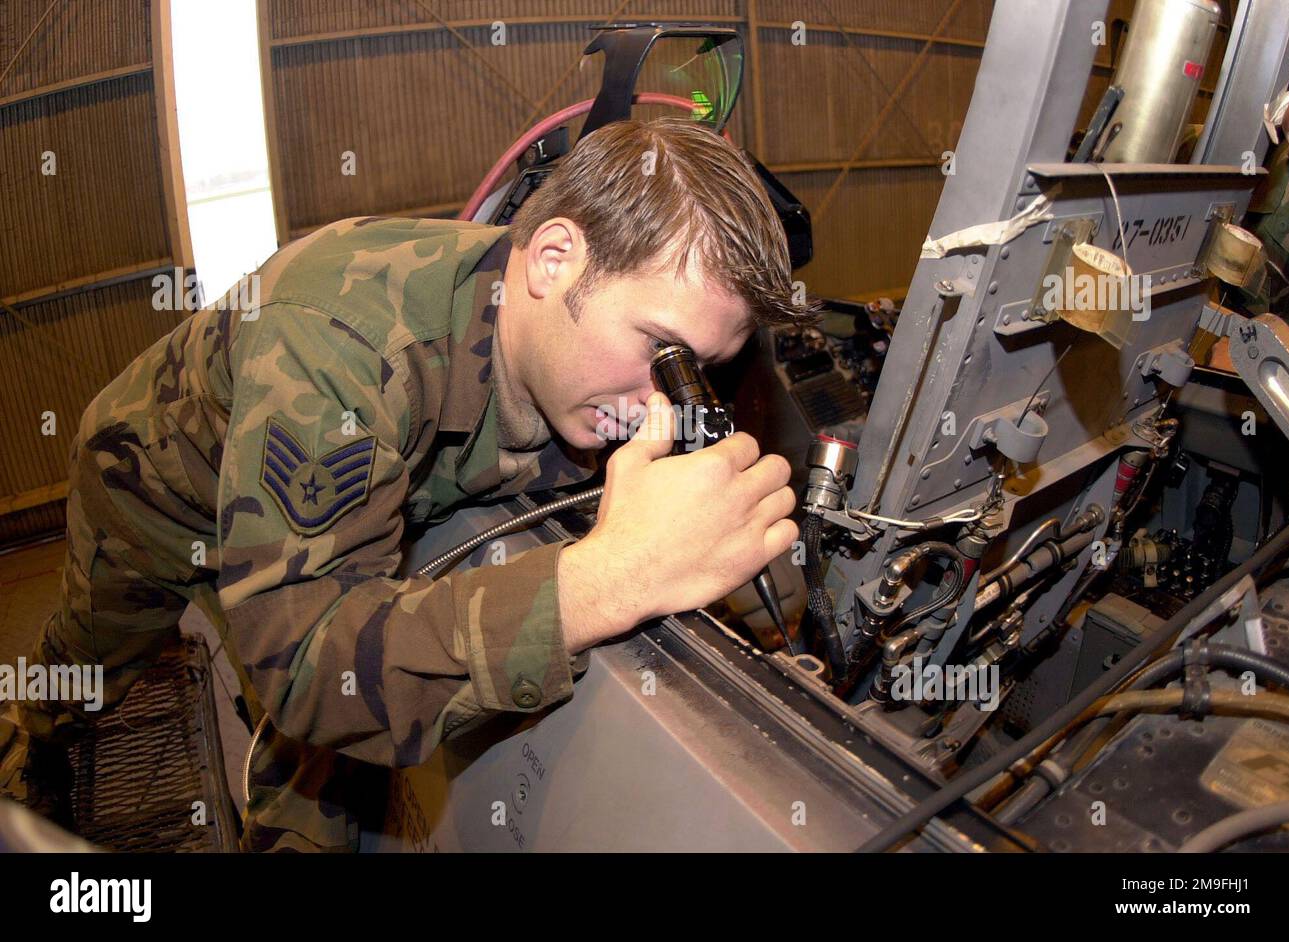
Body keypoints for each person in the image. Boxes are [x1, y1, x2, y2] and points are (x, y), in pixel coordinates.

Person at [0, 117, 816, 850]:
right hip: (156, 488)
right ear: (555, 259)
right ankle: (28, 743)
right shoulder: (344, 339)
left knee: (328, 770)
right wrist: (607, 579)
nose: (660, 402)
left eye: (695, 371)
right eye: (662, 352)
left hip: (334, 526)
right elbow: (303, 662)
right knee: (91, 670)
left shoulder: (589, 372)